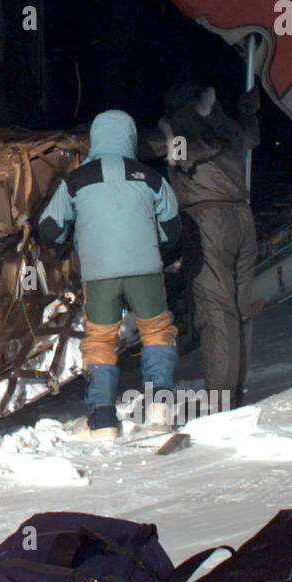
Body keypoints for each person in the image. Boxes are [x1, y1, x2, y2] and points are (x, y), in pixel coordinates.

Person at [38, 110, 181, 442]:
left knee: (100, 340)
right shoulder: (151, 177)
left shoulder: (76, 180)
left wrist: (69, 239)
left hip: (100, 275)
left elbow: (49, 228)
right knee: (157, 330)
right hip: (145, 271)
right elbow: (173, 228)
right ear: (130, 138)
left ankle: (102, 420)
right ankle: (160, 408)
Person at [147, 82, 260, 408]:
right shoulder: (228, 126)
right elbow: (251, 135)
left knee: (216, 311)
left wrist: (167, 138)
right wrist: (246, 110)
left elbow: (180, 156)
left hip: (208, 221)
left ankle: (222, 400)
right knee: (239, 310)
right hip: (242, 216)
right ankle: (234, 391)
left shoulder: (181, 126)